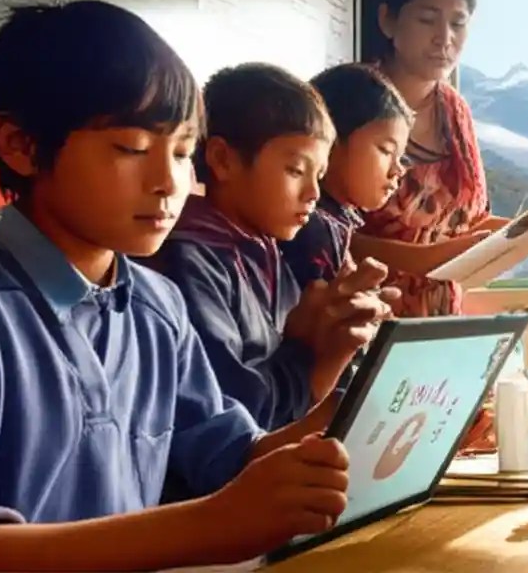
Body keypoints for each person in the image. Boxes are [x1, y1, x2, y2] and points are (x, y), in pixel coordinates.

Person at [0, 1, 351, 571]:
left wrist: (351, 418)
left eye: (181, 153)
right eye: (131, 149)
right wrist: (215, 524)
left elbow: (228, 456)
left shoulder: (158, 305)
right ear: (21, 145)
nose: (168, 183)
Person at [140, 63, 392, 431]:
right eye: (295, 170)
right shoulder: (188, 262)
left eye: (318, 175)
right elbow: (236, 426)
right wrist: (315, 355)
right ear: (223, 159)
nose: (314, 194)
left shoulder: (270, 255)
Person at [354, 0, 528, 317]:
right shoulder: (351, 99)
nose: (443, 38)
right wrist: (424, 259)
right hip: (364, 316)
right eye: (427, 19)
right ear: (388, 20)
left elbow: (466, 224)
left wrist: (527, 229)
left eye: (457, 23)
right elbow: (323, 232)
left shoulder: (455, 112)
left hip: (440, 317)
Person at [280, 63, 412, 292]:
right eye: (386, 151)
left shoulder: (333, 224)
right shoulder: (315, 229)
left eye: (400, 158)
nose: (398, 170)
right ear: (331, 141)